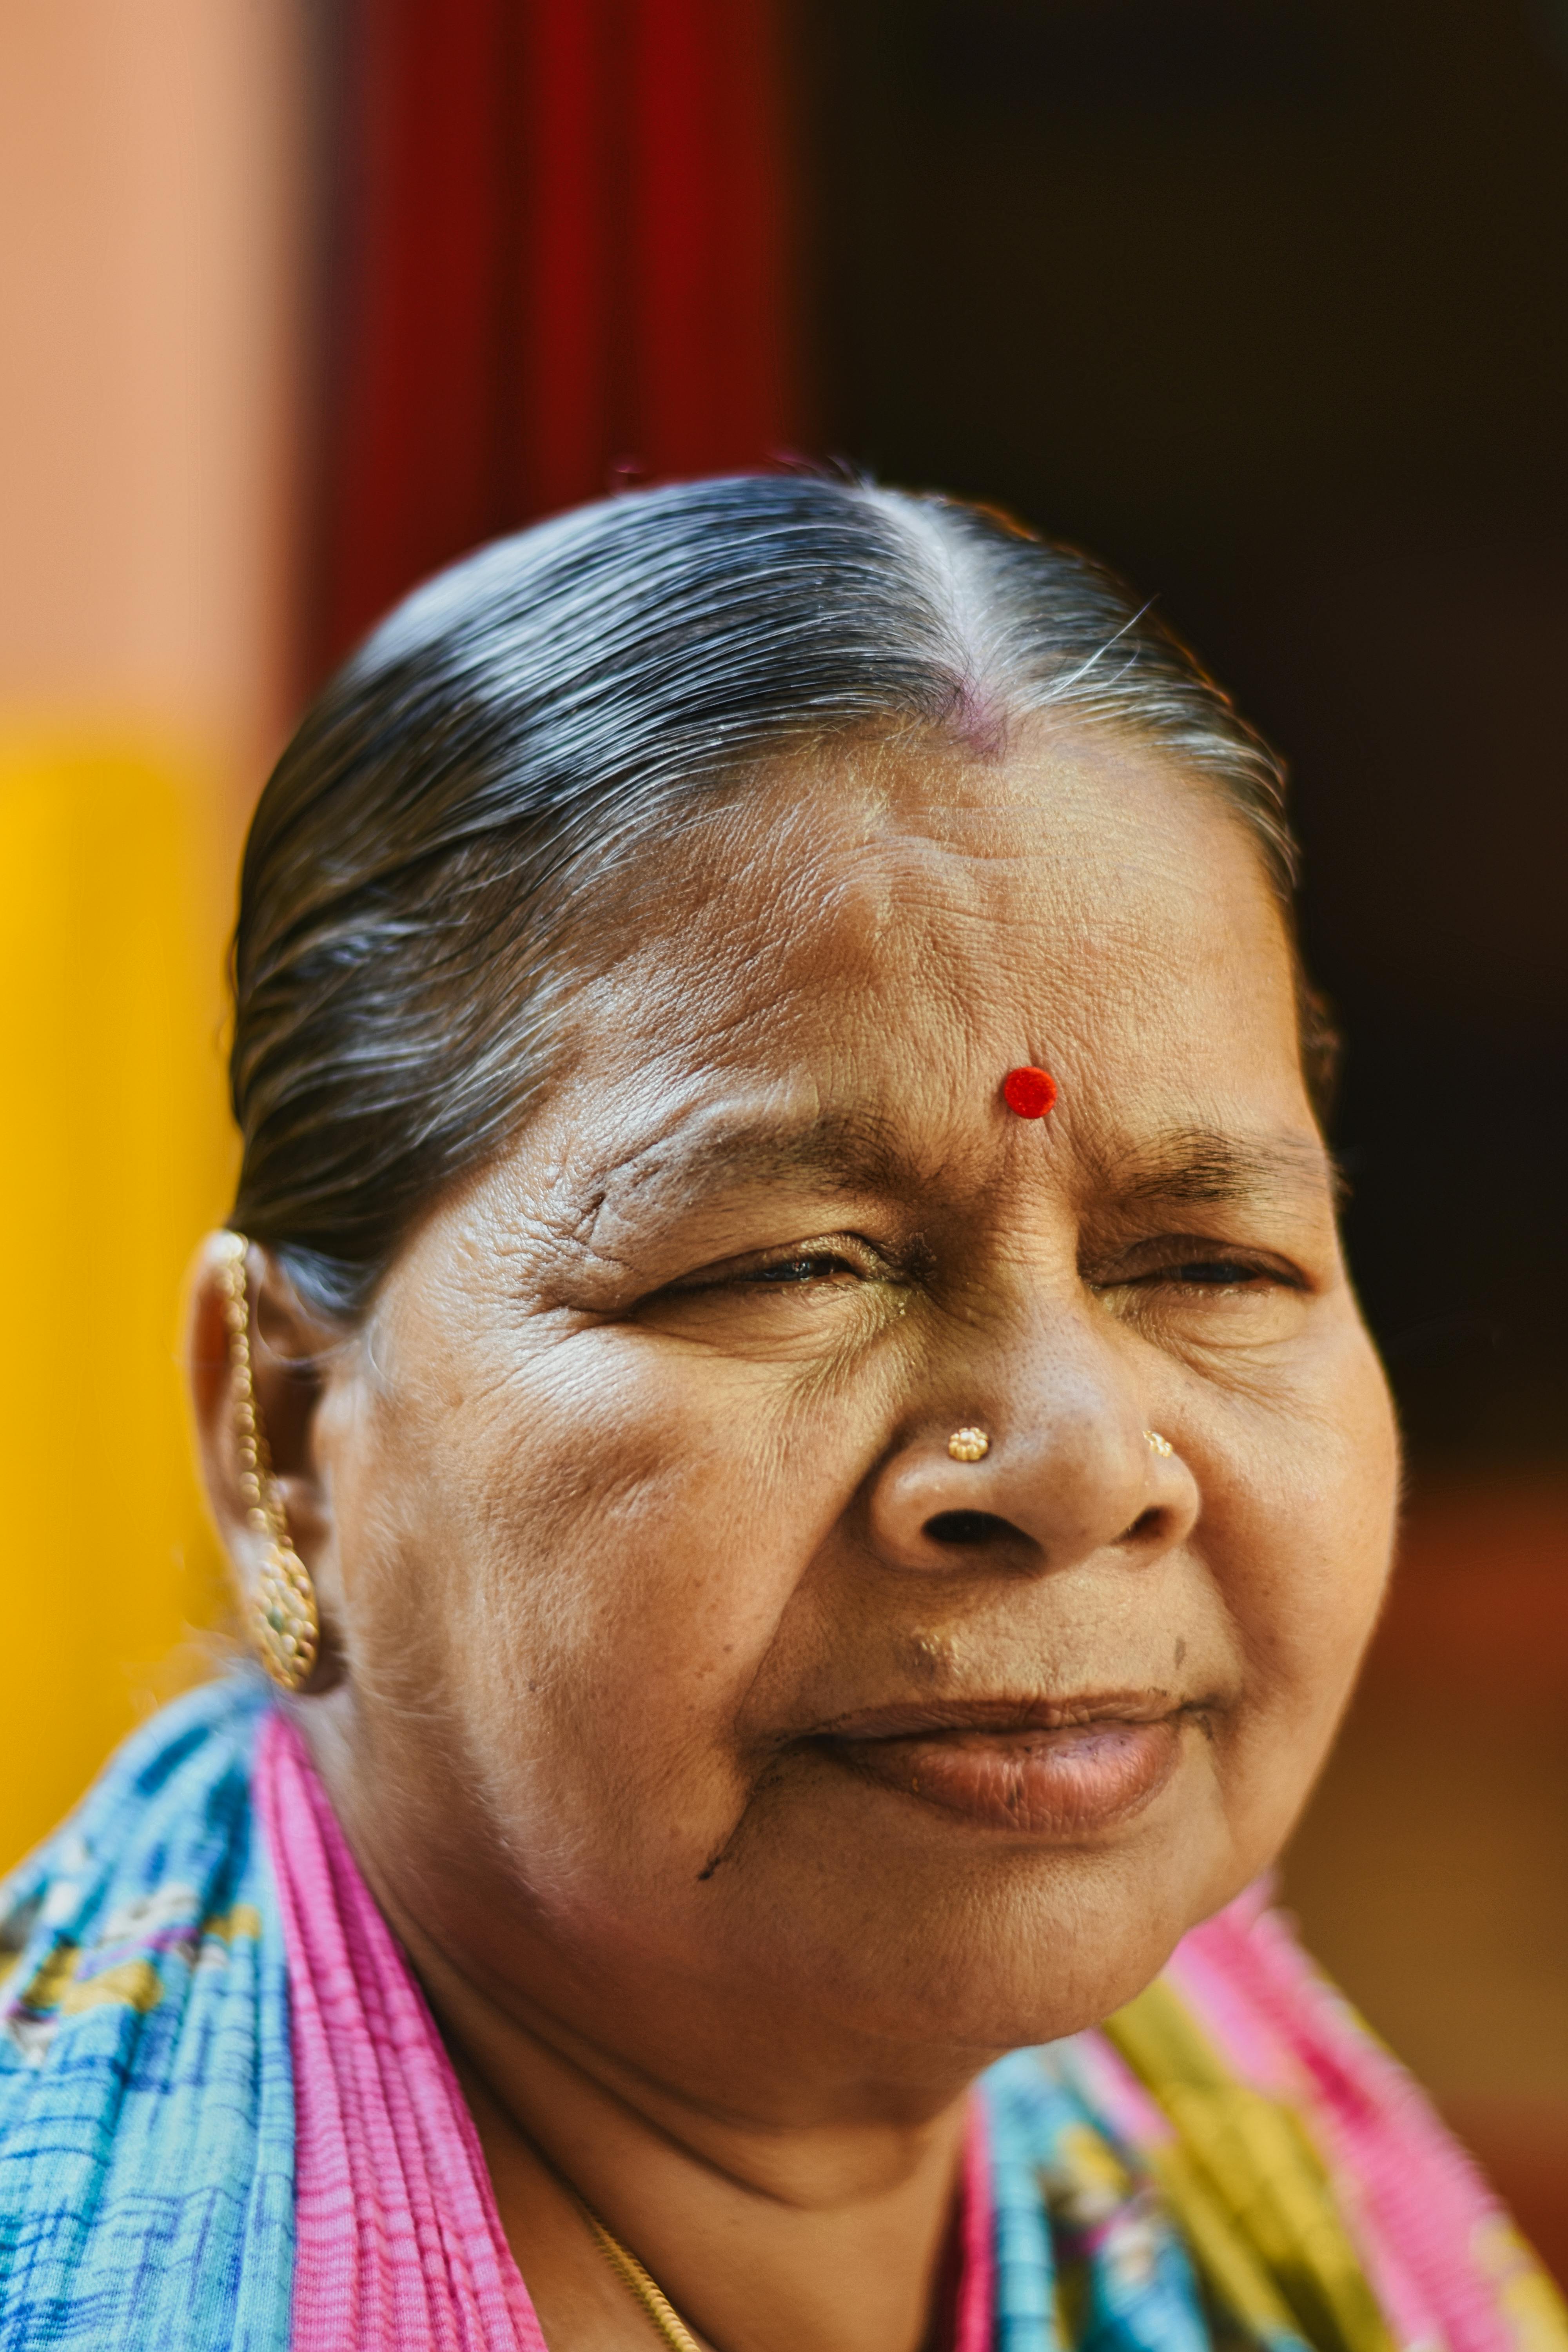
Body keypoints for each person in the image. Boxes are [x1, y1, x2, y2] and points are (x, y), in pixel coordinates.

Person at [0, 475, 1559, 2352]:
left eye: (1209, 1265)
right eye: (792, 1266)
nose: (1074, 1467)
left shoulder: (1211, 2115)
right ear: (292, 1421)